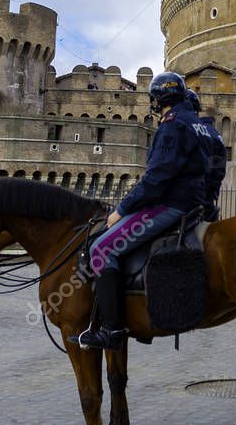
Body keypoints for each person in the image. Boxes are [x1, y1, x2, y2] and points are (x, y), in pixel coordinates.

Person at [71, 71, 213, 350]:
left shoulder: (173, 125)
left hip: (170, 204)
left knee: (101, 250)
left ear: (160, 99)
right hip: (192, 202)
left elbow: (156, 178)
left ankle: (111, 331)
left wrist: (122, 209)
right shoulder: (197, 124)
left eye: (154, 100)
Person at [184, 89, 227, 221]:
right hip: (207, 202)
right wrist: (211, 193)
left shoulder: (185, 129)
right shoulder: (214, 134)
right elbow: (219, 169)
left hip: (185, 201)